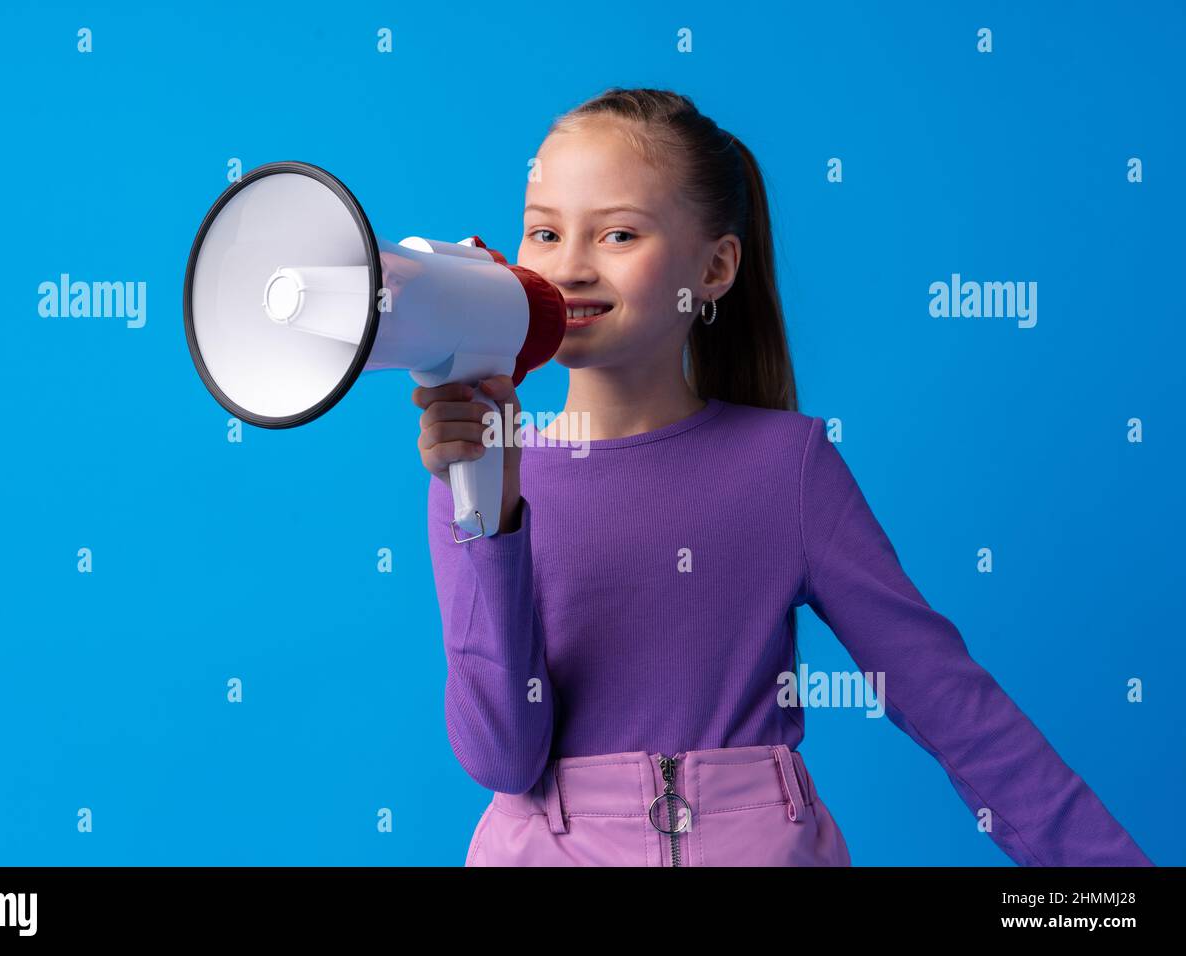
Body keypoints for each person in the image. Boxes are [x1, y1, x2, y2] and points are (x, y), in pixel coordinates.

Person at [413, 87, 1153, 867]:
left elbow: (949, 702)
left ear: (716, 266)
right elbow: (503, 759)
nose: (569, 266)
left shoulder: (785, 467)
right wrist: (489, 517)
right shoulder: (475, 480)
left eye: (619, 233)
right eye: (544, 231)